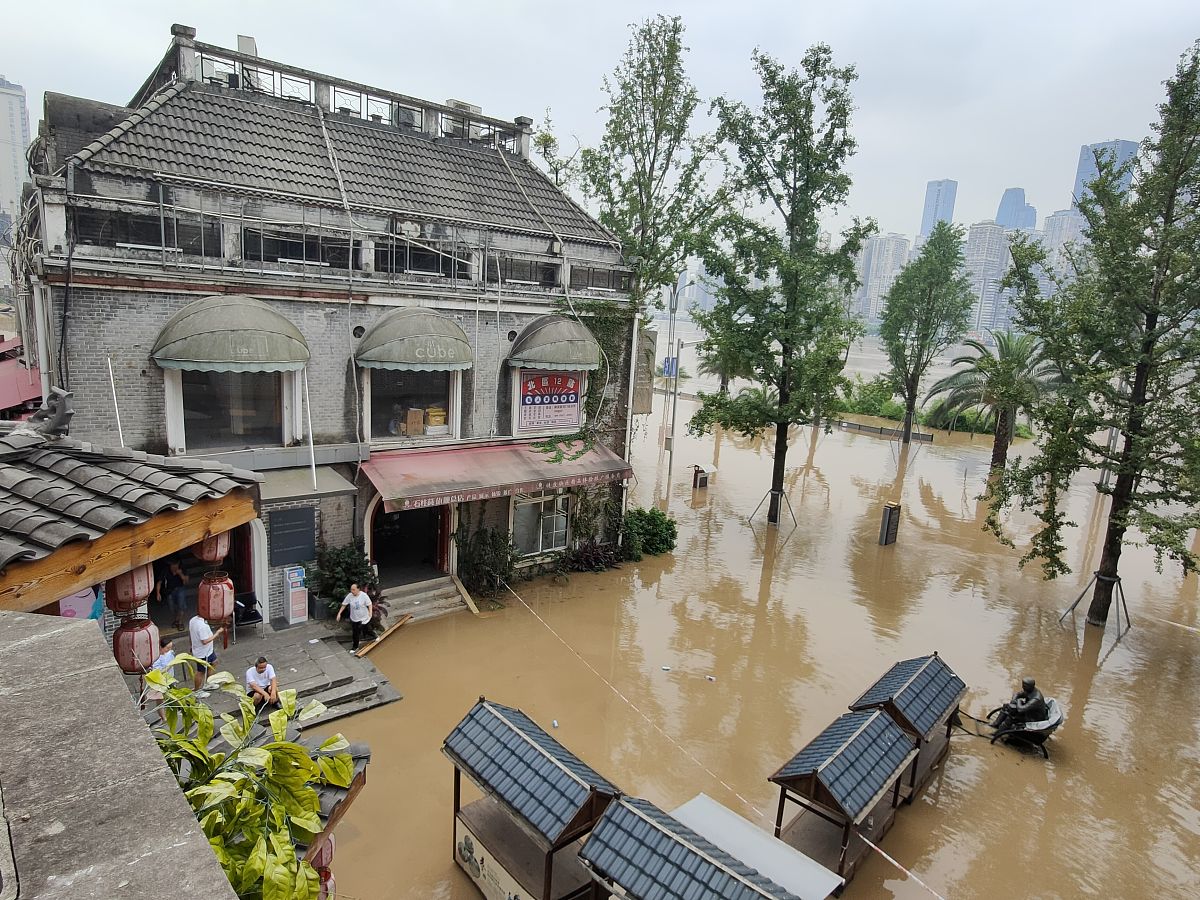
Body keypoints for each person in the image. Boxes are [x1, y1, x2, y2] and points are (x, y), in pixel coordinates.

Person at [188, 610, 224, 692]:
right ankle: (196, 690)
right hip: (203, 653)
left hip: (207, 650)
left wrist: (191, 645)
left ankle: (209, 683)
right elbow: (204, 641)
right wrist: (217, 633)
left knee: (214, 662)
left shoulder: (193, 620)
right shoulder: (202, 626)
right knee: (201, 672)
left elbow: (190, 634)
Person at [144, 637, 175, 723]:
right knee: (160, 700)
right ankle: (163, 717)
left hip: (170, 679)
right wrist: (169, 666)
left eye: (170, 647)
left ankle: (171, 715)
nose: (169, 649)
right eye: (167, 648)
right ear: (161, 647)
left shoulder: (170, 653)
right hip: (160, 681)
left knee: (171, 698)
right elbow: (157, 672)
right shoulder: (156, 658)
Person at [336, 583, 373, 653]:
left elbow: (369, 604)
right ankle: (355, 647)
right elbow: (344, 604)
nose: (352, 591)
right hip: (355, 618)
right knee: (355, 633)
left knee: (367, 629)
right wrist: (339, 613)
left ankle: (374, 636)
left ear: (358, 589)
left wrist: (370, 612)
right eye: (351, 589)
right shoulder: (349, 596)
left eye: (353, 589)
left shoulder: (363, 595)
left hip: (364, 617)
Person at [155, 558, 190, 630]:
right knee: (172, 607)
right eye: (173, 565)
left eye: (176, 565)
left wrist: (181, 574)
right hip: (170, 591)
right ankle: (176, 620)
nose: (175, 567)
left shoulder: (182, 569)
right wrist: (158, 593)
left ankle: (180, 622)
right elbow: (159, 582)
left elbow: (186, 582)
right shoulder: (166, 570)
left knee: (181, 606)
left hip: (180, 589)